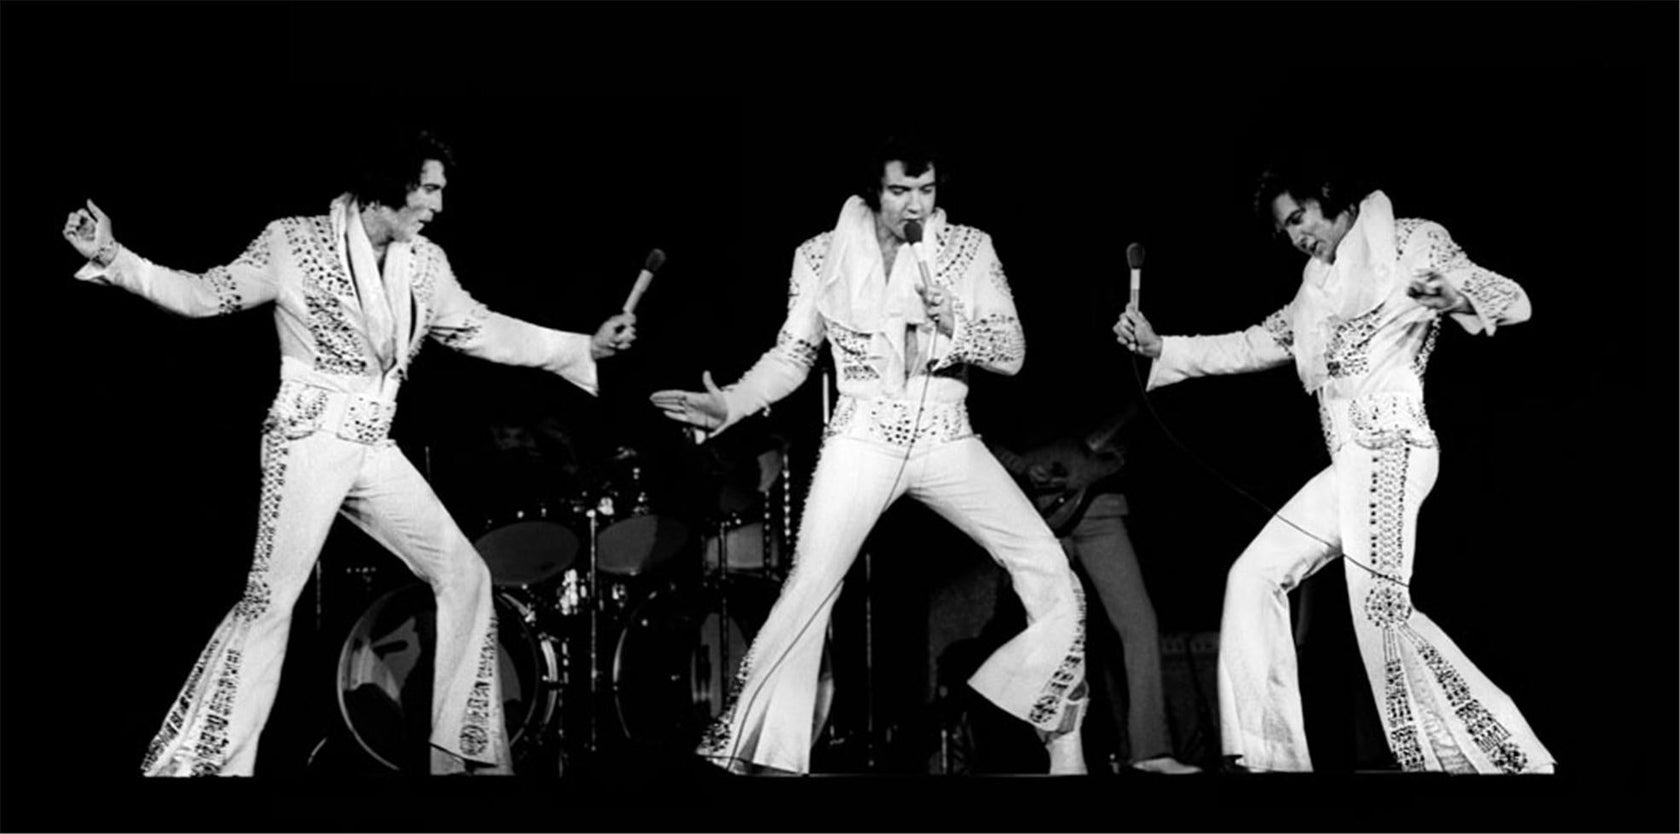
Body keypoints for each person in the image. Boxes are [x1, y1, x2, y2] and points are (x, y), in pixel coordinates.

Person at [61, 129, 638, 776]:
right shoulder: (294, 243)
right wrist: (113, 254)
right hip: (308, 436)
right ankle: (202, 766)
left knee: (465, 575)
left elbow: (481, 329)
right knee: (271, 599)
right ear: (390, 186)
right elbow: (203, 296)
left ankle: (463, 760)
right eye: (428, 189)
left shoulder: (424, 262)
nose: (438, 206)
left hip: (370, 441)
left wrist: (582, 346)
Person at [650, 135, 1089, 775]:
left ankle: (1065, 747)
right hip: (862, 432)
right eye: (899, 191)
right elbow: (794, 355)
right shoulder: (819, 255)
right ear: (872, 191)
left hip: (946, 432)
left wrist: (956, 325)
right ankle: (750, 753)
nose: (914, 204)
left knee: (1047, 565)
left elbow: (1013, 352)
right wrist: (731, 406)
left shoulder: (969, 248)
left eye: (926, 190)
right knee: (809, 587)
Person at [1114, 159, 1555, 774]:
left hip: (1395, 446)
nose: (1295, 236)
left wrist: (1456, 296)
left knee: (1379, 610)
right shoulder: (1314, 286)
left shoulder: (1410, 240)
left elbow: (1514, 300)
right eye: (1285, 229)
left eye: (1298, 218)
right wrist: (1165, 348)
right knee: (1252, 577)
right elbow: (1257, 342)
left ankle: (1501, 761)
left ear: (1329, 199)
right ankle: (1271, 761)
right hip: (1348, 466)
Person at [990, 402, 1202, 774]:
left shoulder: (1103, 376)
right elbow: (981, 438)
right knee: (1031, 632)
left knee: (1139, 624)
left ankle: (1151, 752)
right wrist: (1025, 469)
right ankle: (1032, 754)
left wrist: (1082, 469)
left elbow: (1122, 448)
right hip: (1033, 515)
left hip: (1098, 509)